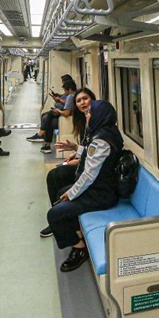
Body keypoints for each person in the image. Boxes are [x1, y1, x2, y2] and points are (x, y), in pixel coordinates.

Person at [46, 100, 123, 272]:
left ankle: (80, 248)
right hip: (103, 188)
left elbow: (89, 174)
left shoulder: (101, 141)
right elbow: (95, 154)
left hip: (101, 194)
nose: (86, 115)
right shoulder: (108, 132)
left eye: (89, 113)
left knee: (54, 214)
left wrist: (72, 193)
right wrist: (77, 149)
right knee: (60, 192)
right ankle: (77, 233)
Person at [39, 87, 95, 238]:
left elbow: (97, 155)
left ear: (93, 100)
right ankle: (59, 218)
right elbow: (87, 146)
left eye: (85, 99)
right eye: (78, 101)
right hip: (85, 161)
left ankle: (59, 218)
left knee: (58, 176)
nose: (82, 103)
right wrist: (75, 150)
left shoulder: (97, 121)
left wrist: (79, 161)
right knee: (54, 176)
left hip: (91, 168)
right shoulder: (84, 121)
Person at [27, 79, 77, 153]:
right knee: (49, 118)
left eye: (65, 91)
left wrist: (58, 111)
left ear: (69, 89)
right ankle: (45, 142)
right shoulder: (76, 94)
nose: (65, 93)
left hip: (69, 120)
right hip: (72, 118)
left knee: (50, 119)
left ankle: (42, 137)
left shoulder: (70, 96)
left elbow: (66, 113)